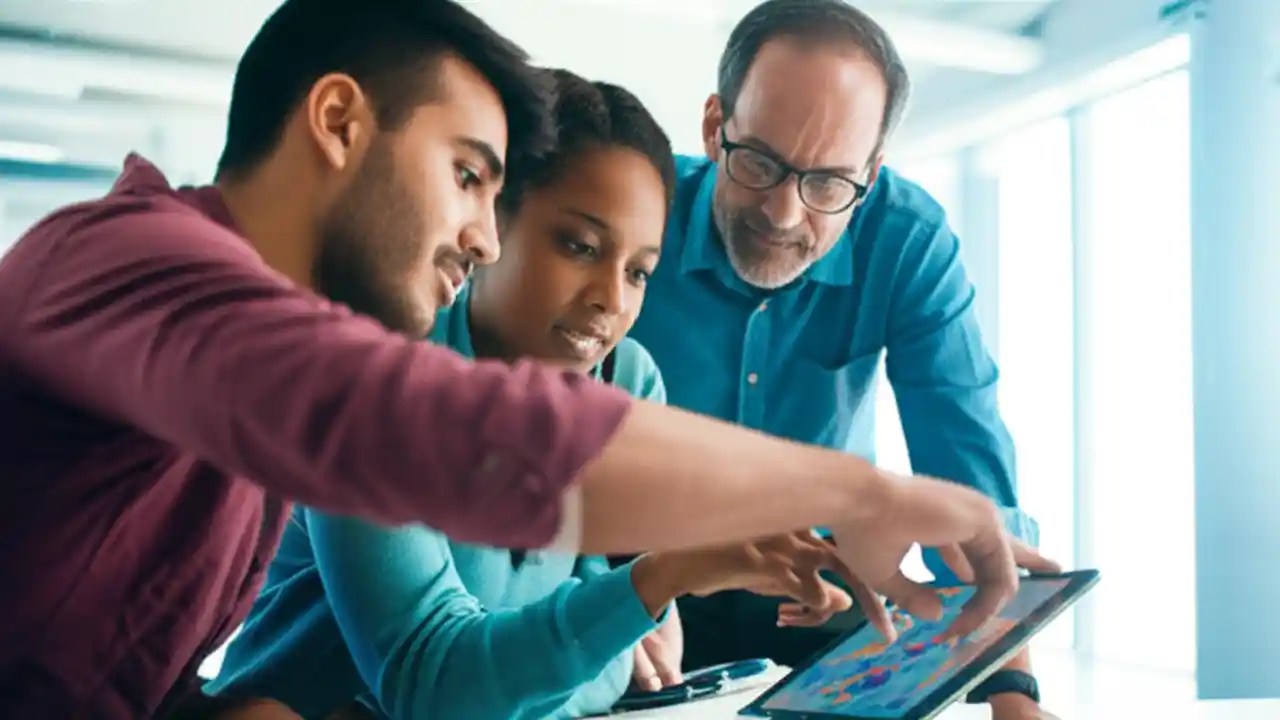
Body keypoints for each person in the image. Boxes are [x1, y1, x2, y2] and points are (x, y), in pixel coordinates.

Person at [0, 0, 1039, 717]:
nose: (481, 238)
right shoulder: (127, 260)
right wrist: (851, 494)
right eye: (466, 177)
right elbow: (442, 437)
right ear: (337, 124)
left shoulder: (250, 359)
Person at [206, 70, 861, 720]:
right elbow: (441, 689)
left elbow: (591, 654)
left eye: (639, 271)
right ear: (488, 222)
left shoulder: (624, 384)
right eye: (578, 245)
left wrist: (570, 651)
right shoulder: (370, 392)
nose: (612, 299)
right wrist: (654, 584)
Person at [626, 1, 1059, 717]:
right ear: (714, 126)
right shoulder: (633, 210)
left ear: (872, 170)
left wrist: (1013, 691)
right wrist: (581, 591)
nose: (785, 214)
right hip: (643, 590)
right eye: (760, 162)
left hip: (823, 595)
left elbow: (967, 472)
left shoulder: (907, 239)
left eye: (829, 182)